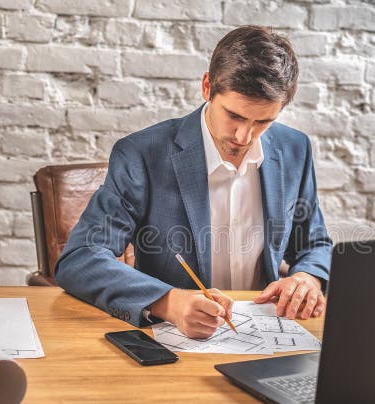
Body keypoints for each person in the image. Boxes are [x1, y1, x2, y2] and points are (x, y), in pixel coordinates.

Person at [55, 26, 333, 339]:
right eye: (235, 116)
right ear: (206, 87)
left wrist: (308, 277)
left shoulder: (295, 149)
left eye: (263, 122)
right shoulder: (141, 155)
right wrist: (167, 301)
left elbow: (314, 243)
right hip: (174, 339)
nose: (244, 137)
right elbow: (80, 258)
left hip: (268, 335)